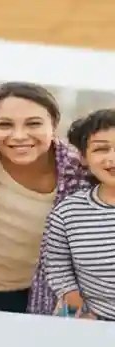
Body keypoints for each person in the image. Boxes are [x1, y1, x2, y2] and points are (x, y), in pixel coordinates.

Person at [0, 82, 91, 314]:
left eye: (33, 123)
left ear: (54, 125)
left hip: (50, 296)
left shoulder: (81, 171)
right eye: (4, 124)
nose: (19, 136)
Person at [41, 108, 115, 320]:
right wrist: (76, 305)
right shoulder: (68, 212)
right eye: (101, 149)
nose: (112, 158)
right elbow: (57, 264)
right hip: (94, 321)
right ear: (83, 157)